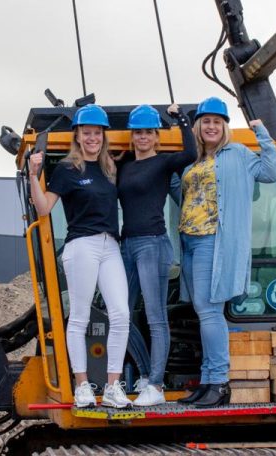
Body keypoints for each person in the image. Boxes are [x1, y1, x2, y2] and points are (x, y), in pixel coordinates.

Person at [175, 97, 276, 407]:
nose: (211, 127)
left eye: (217, 122)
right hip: (190, 242)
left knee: (210, 312)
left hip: (213, 241)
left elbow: (271, 172)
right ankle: (207, 381)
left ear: (225, 127)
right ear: (198, 127)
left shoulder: (238, 154)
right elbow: (183, 194)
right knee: (204, 313)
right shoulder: (195, 159)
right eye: (205, 122)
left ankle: (218, 384)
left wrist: (262, 131)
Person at [28, 104, 132, 409]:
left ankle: (113, 387)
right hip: (81, 245)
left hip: (110, 245)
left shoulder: (109, 167)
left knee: (121, 314)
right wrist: (35, 175)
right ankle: (82, 384)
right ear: (77, 135)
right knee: (80, 317)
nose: (92, 138)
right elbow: (44, 207)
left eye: (97, 133)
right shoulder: (67, 170)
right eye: (87, 133)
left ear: (103, 136)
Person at [116, 104, 197, 406]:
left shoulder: (163, 163)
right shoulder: (124, 165)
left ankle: (156, 385)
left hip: (153, 244)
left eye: (148, 132)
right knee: (119, 314)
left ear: (155, 136)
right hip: (128, 245)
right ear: (132, 136)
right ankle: (145, 372)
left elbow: (190, 153)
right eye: (138, 132)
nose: (143, 137)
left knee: (155, 317)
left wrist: (182, 119)